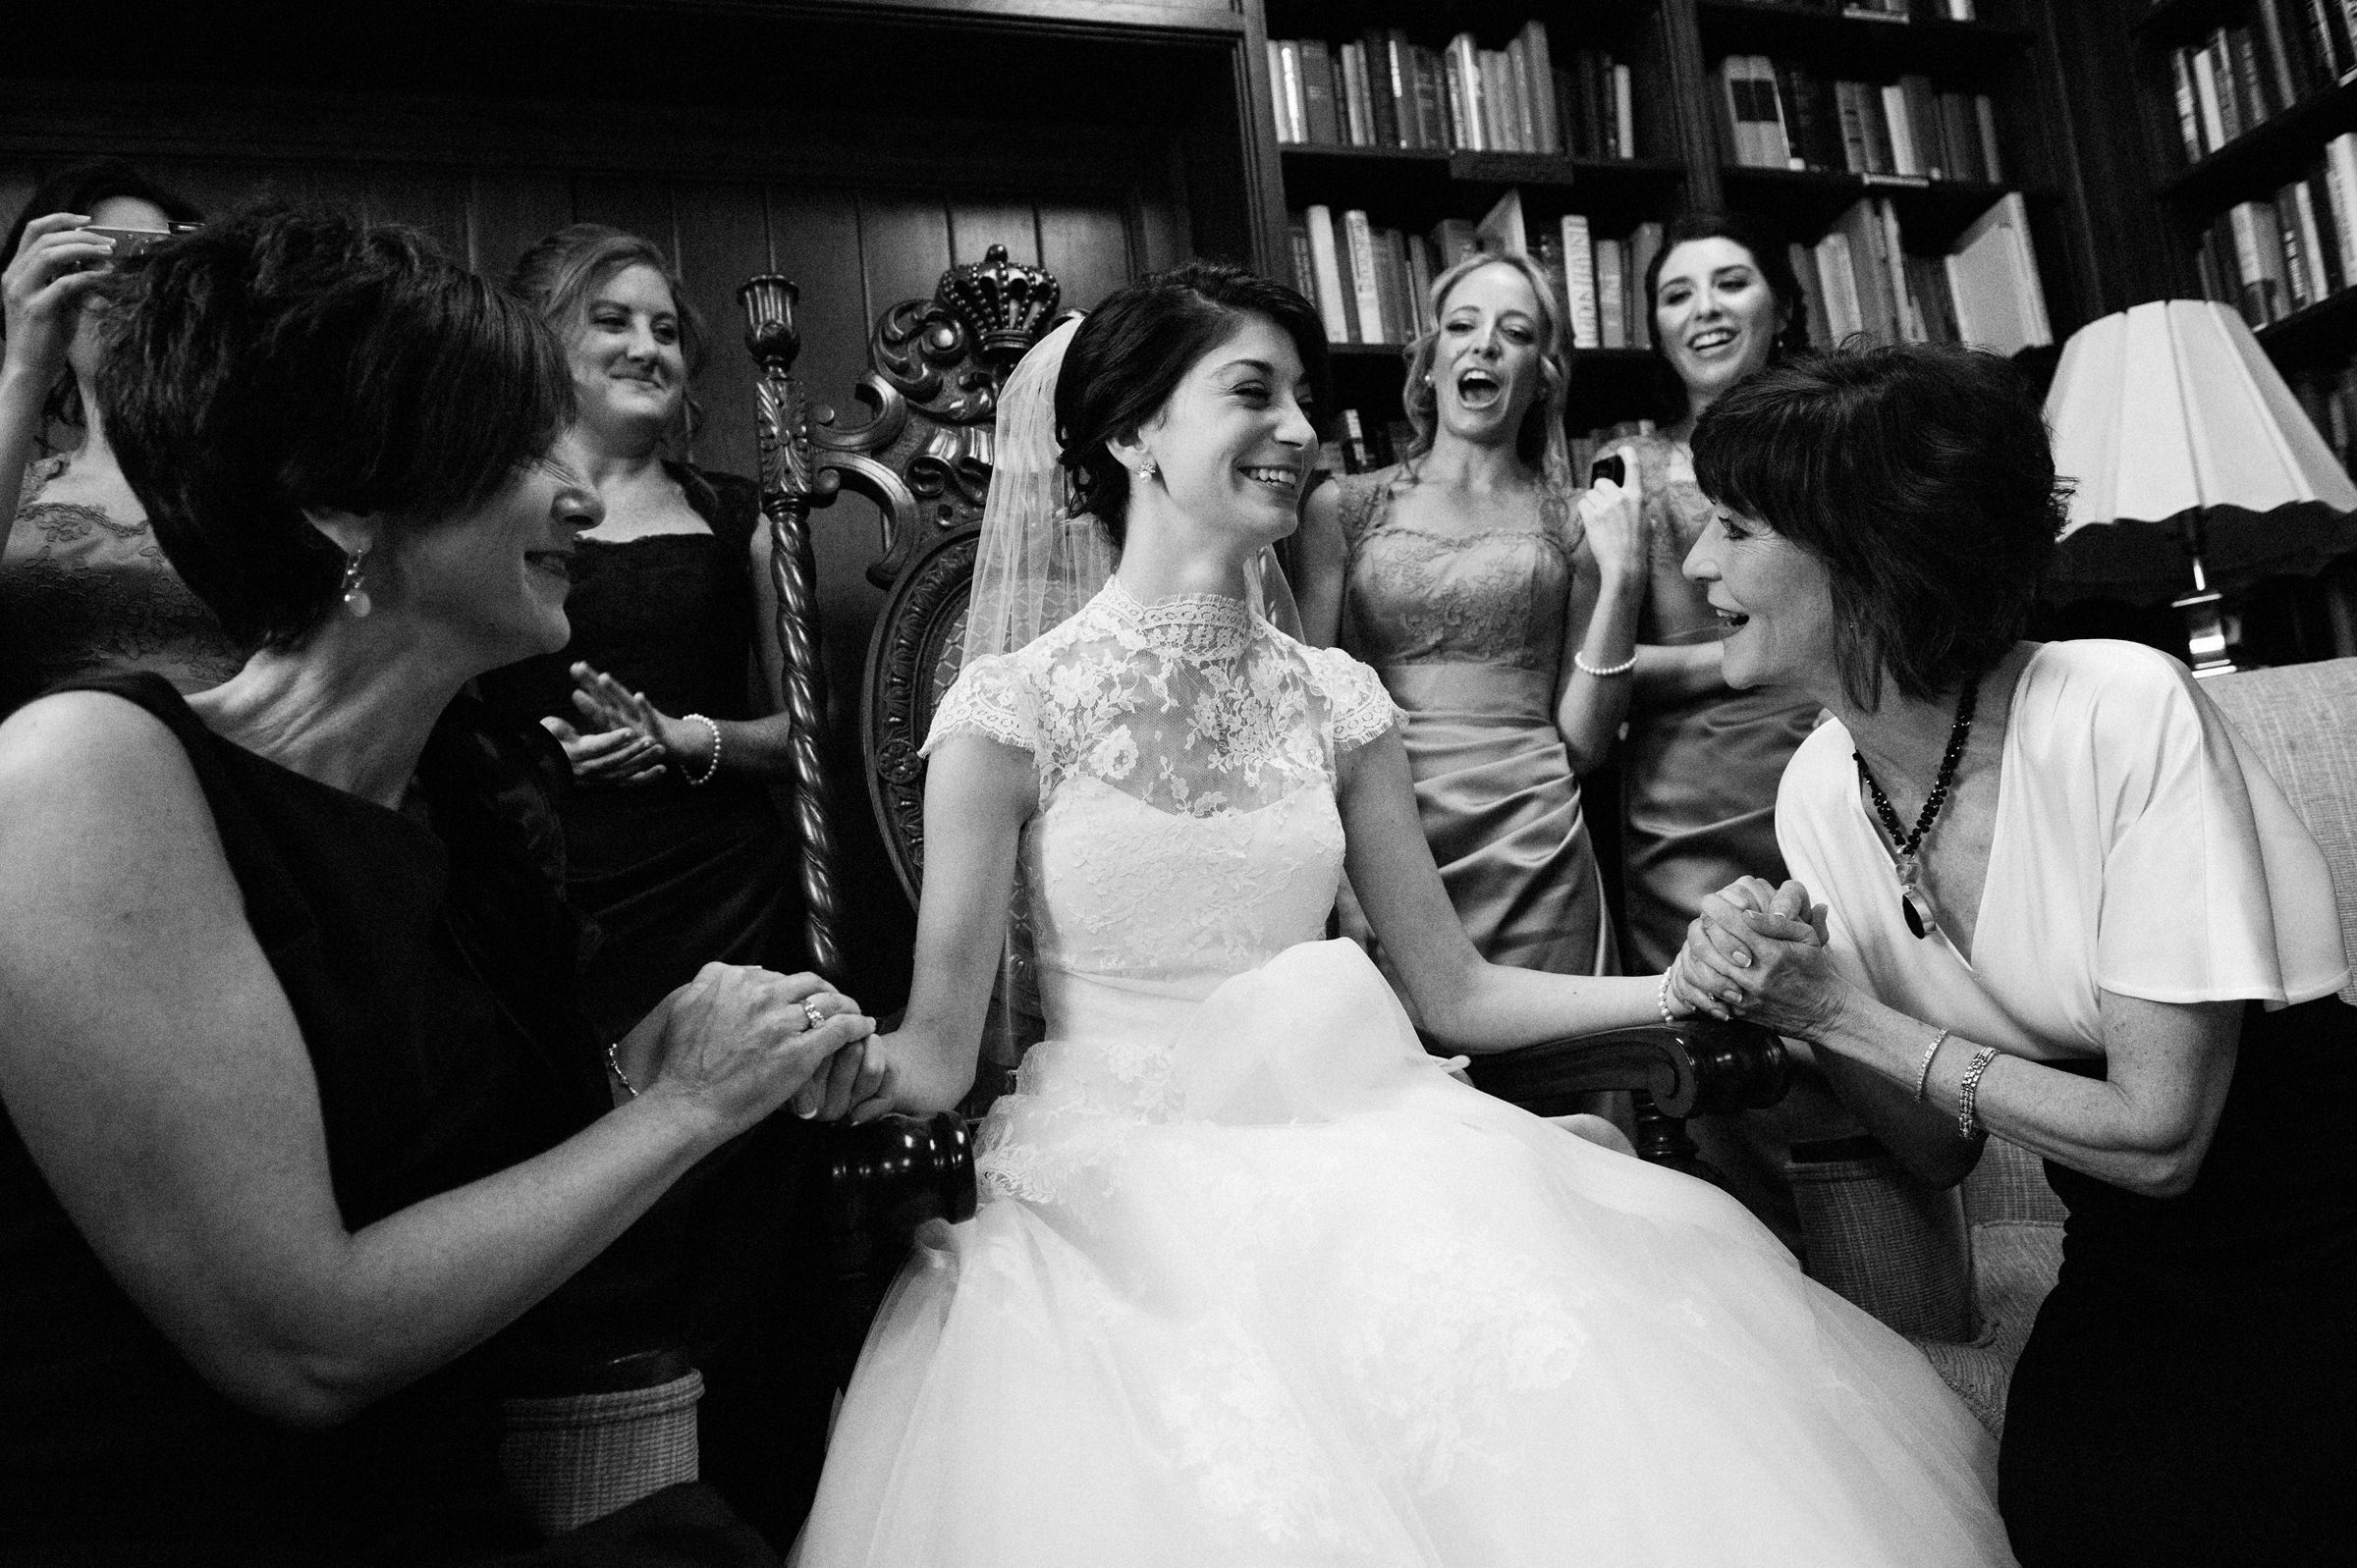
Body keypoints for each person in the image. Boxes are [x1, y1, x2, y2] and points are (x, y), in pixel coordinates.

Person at [791, 264, 2017, 1566]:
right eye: (1251, 392)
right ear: (1133, 432)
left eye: (1306, 398)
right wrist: (826, 1066)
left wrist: (1699, 986)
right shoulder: (1009, 708)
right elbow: (935, 1052)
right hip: (1119, 1192)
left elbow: (1457, 994)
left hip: (1369, 1129)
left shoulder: (1338, 701)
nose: (1301, 430)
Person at [0, 205, 879, 1565]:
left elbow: (487, 1178)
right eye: (528, 450)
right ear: (342, 503)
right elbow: (305, 1339)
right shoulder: (82, 775)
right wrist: (687, 1111)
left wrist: (705, 1053)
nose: (582, 495)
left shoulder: (466, 806)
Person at [1669, 343, 2356, 1566]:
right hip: (2136, 1264)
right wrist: (1802, 1002)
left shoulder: (2118, 710)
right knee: (2066, 1507)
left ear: (1867, 550)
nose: (1696, 564)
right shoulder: (1819, 789)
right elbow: (1934, 1149)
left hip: (2314, 1215)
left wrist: (1850, 1010)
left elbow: (2162, 1133)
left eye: (1732, 527)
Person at [479, 223, 804, 1042]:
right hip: (532, 877)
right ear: (545, 338)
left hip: (720, 892)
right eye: (613, 321)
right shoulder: (479, 510)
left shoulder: (741, 518)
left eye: (665, 332)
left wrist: (686, 736)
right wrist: (534, 760)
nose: (646, 348)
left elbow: (812, 734)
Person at [1295, 249, 1640, 977]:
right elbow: (1301, 716)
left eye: (1513, 332)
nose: (1484, 343)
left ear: (1541, 375)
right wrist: (1342, 878)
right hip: (1383, 837)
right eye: (1462, 324)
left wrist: (1624, 580)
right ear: (1431, 361)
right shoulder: (1342, 507)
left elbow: (1583, 743)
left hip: (1536, 853)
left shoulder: (1575, 522)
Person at [1619, 214, 1833, 1246]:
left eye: (1730, 282)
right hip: (1691, 797)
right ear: (1655, 328)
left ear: (1780, 306)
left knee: (1852, 1011)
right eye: (1676, 293)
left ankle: (1895, 1268)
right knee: (1727, 1051)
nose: (1704, 308)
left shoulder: (1832, 446)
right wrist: (1777, 645)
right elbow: (1610, 672)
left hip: (1841, 748)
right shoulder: (1631, 471)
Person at [0, 158, 241, 708]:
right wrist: (24, 365)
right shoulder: (20, 485)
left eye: (154, 261)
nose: (124, 288)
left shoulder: (262, 478)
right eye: (92, 259)